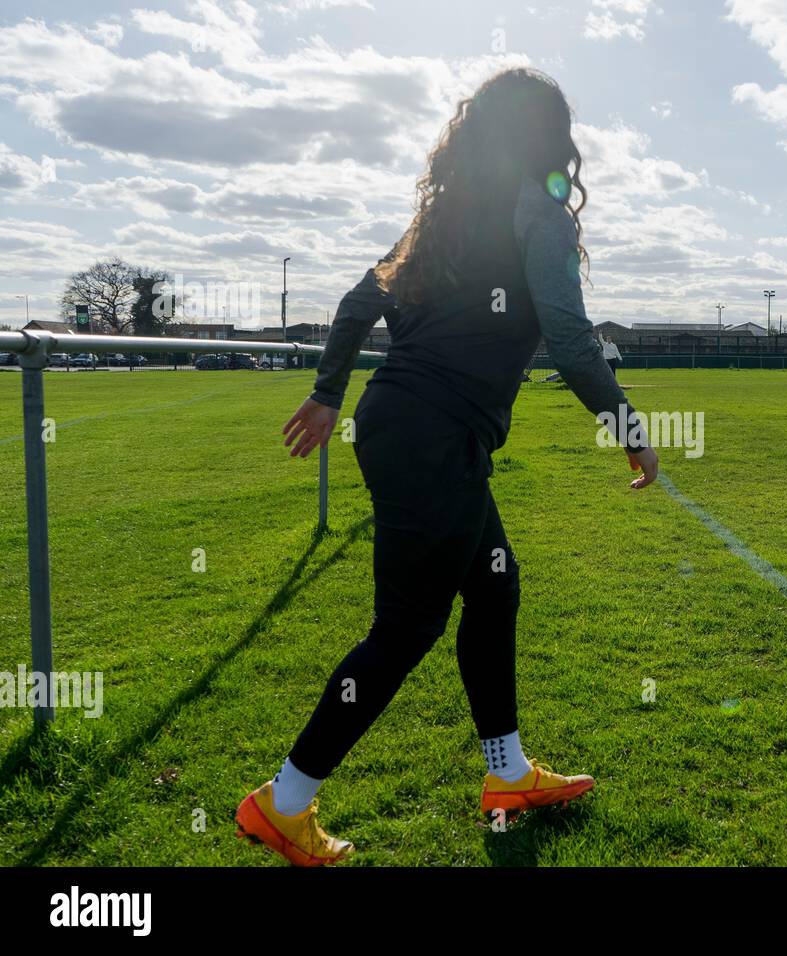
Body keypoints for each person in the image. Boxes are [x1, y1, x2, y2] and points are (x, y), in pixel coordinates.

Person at [236, 68, 658, 866]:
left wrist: (331, 394)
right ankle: (283, 802)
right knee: (406, 628)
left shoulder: (443, 220)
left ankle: (508, 774)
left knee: (495, 587)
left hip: (410, 427)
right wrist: (629, 425)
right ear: (553, 134)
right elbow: (569, 341)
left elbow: (361, 301)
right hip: (433, 436)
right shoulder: (538, 212)